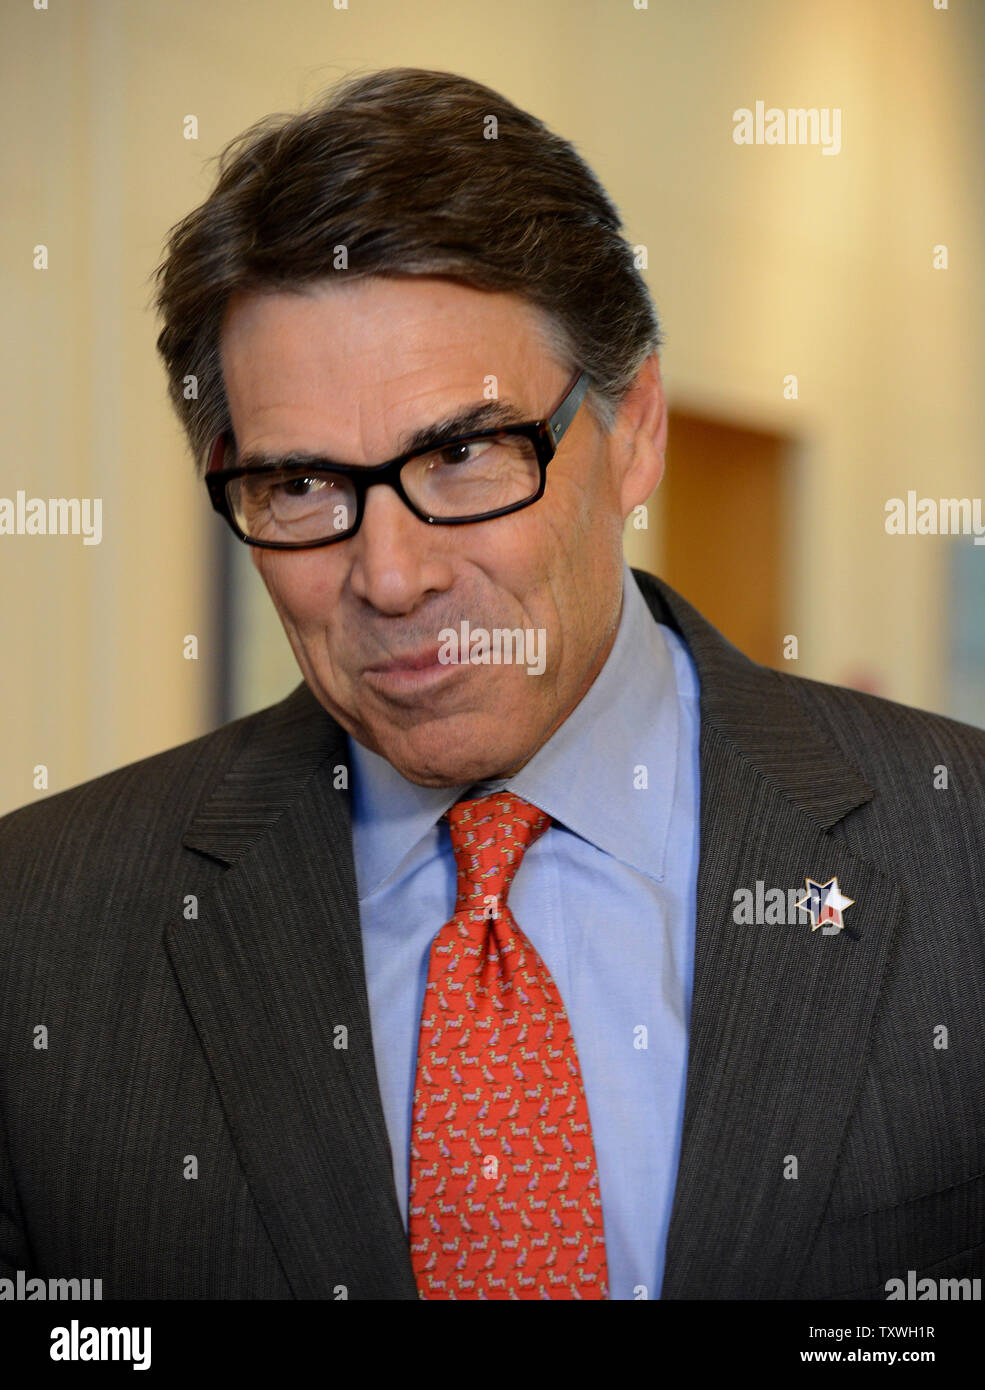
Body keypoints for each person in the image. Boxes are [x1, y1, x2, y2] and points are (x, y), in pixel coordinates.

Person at [2, 66, 984, 1302]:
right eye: (301, 485)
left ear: (633, 430)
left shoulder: (962, 852)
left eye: (464, 453)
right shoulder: (36, 934)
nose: (392, 576)